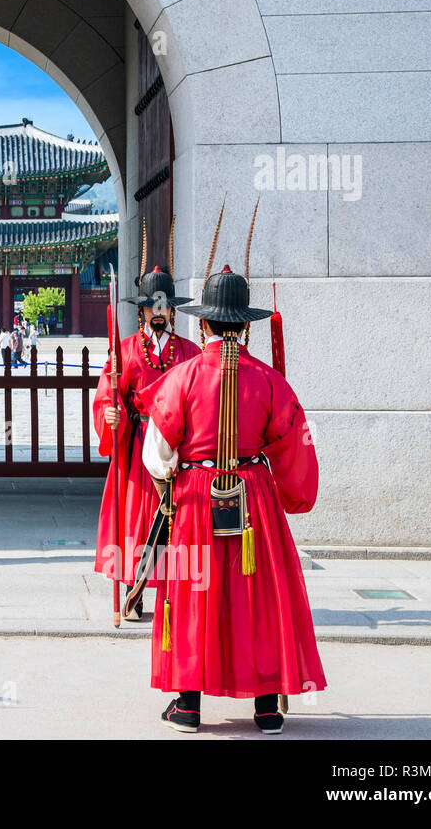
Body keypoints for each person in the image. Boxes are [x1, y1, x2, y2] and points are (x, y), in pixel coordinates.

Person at [140, 261, 324, 735]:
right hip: (253, 499)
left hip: (197, 497)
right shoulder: (268, 380)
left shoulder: (181, 378)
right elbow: (293, 445)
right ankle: (266, 709)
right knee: (259, 597)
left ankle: (187, 706)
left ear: (202, 324)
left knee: (194, 594)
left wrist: (171, 489)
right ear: (245, 325)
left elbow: (157, 455)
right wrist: (291, 495)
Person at [92, 263, 201, 619]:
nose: (158, 313)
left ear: (172, 310)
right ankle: (133, 588)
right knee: (138, 518)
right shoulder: (124, 351)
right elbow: (110, 395)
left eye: (164, 307)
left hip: (178, 447)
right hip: (140, 443)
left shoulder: (189, 351)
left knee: (178, 519)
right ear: (141, 311)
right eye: (151, 307)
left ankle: (177, 593)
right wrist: (112, 414)